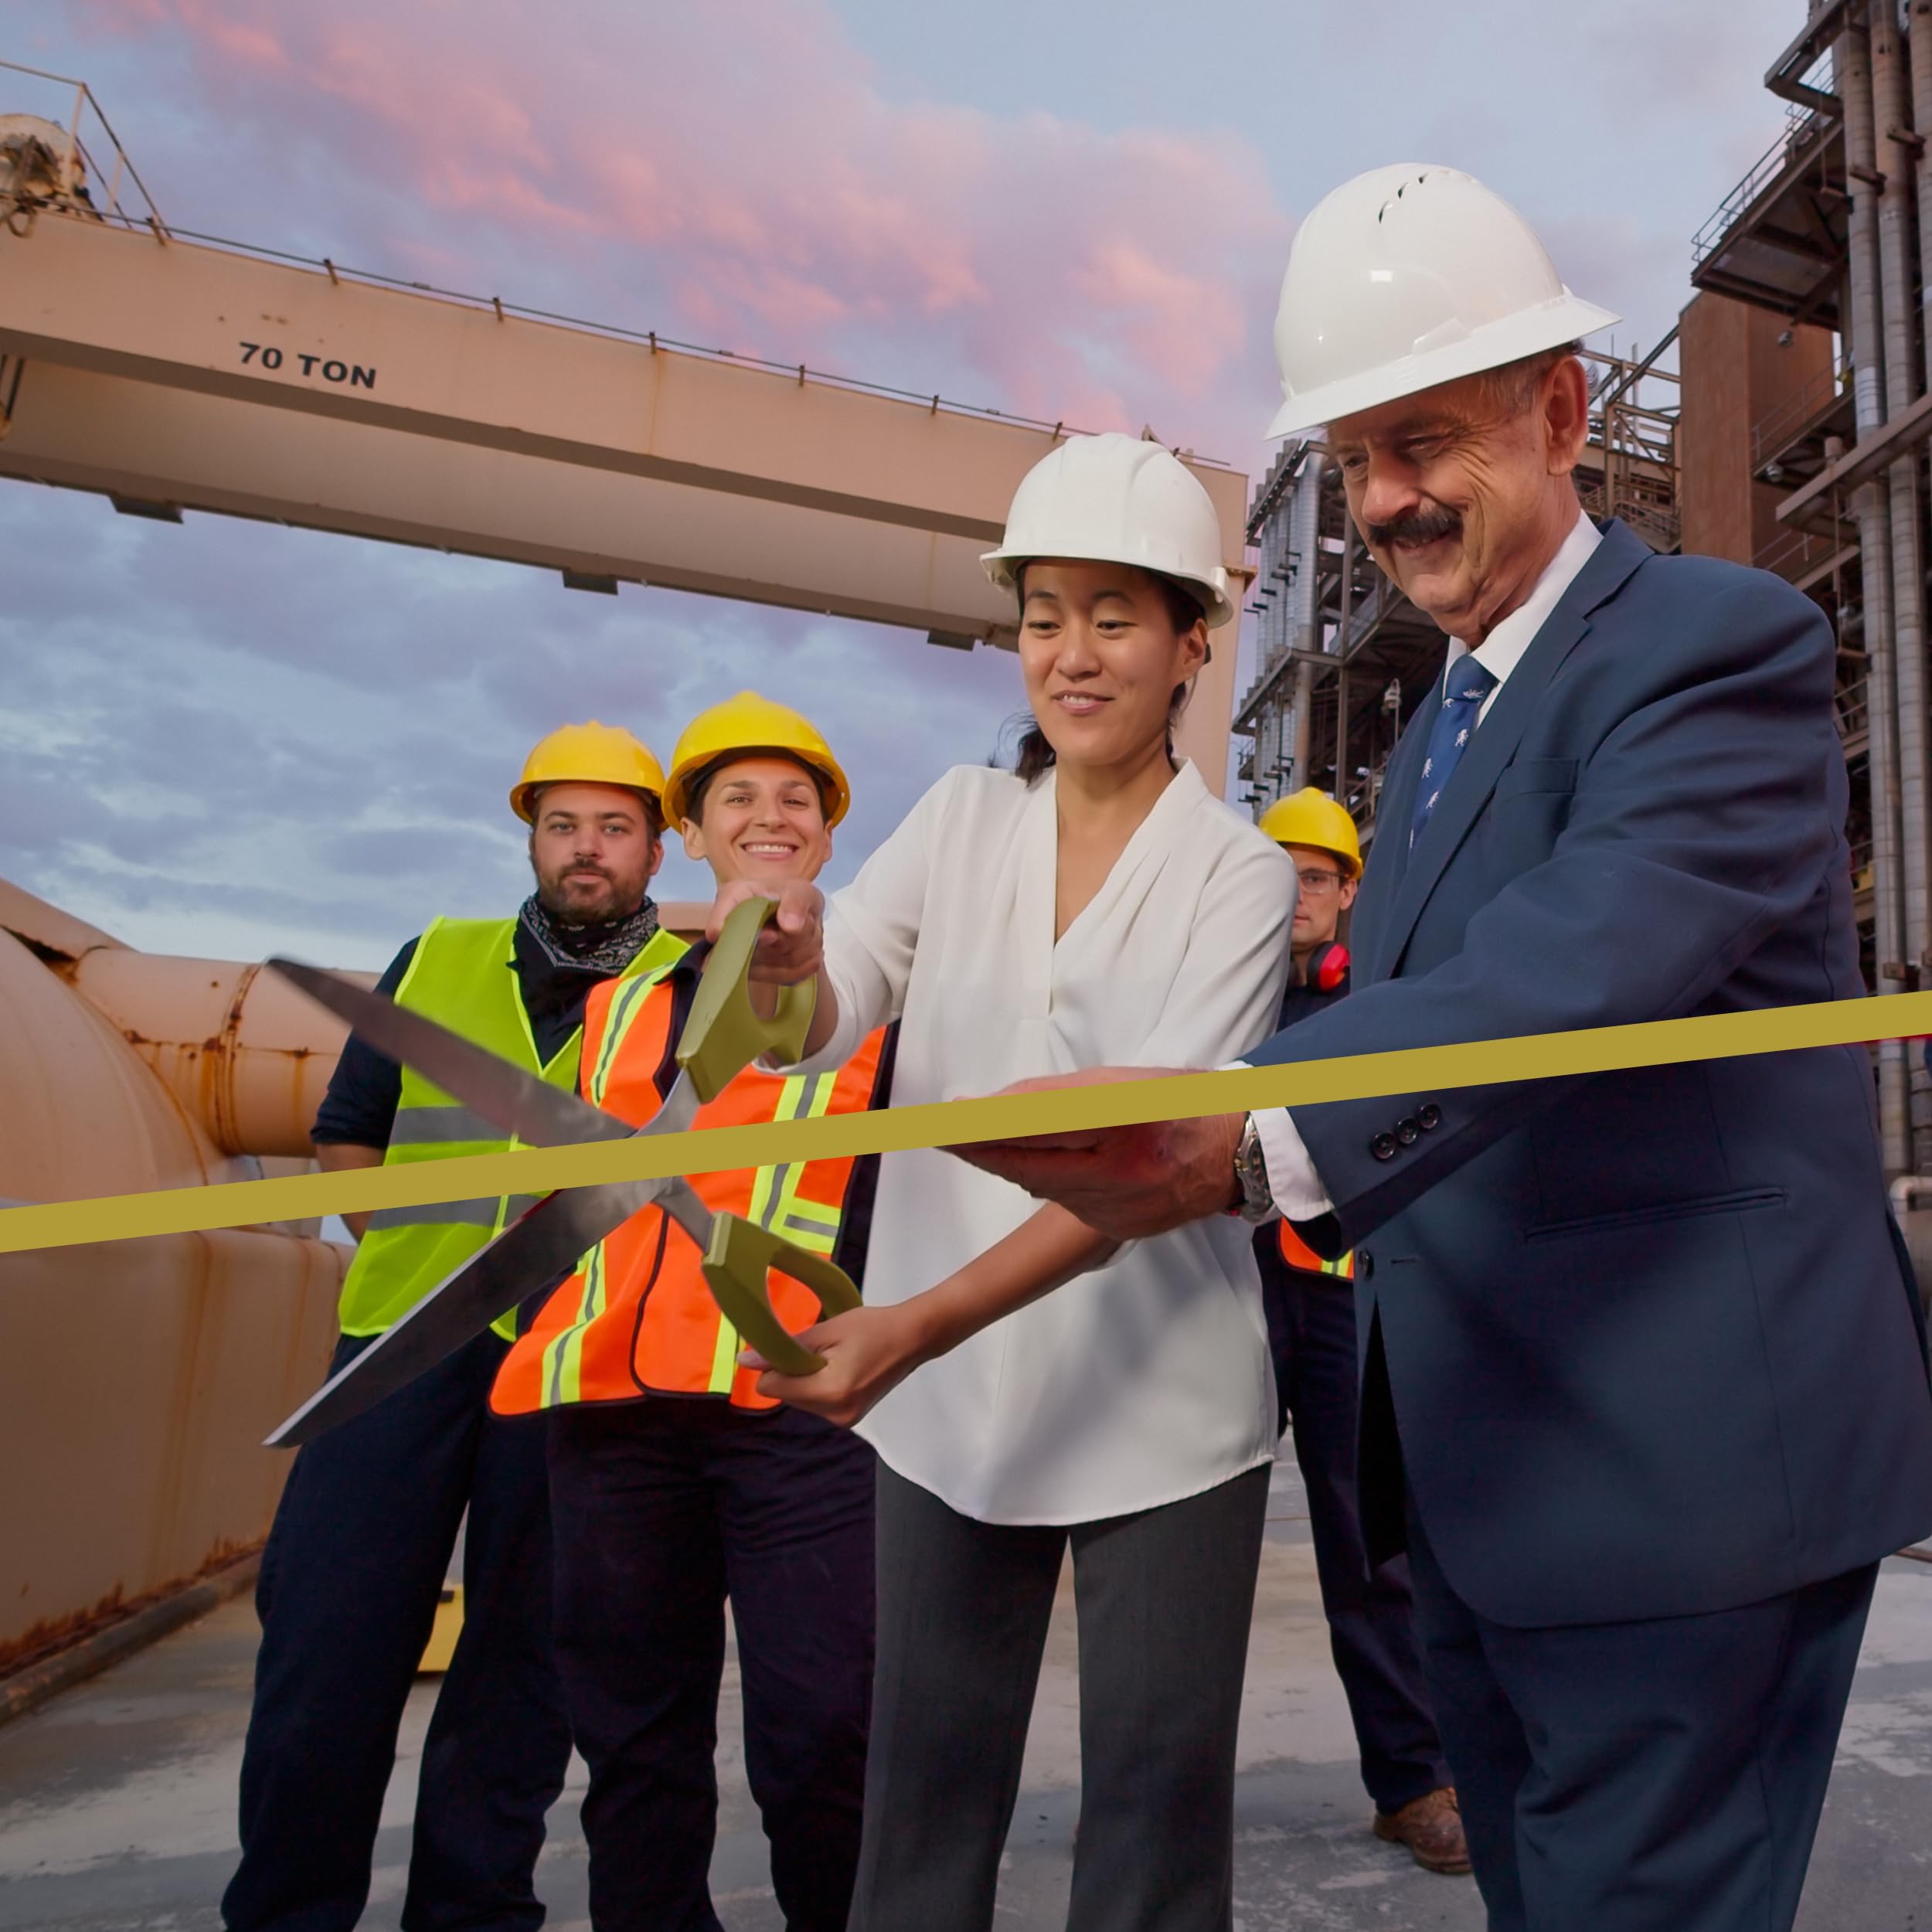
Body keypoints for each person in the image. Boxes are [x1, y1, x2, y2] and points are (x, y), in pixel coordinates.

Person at [942, 165, 1932, 1932]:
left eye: (1425, 439)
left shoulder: (1715, 649)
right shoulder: (1426, 749)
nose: (1386, 498)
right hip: (1488, 1495)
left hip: (1678, 1487)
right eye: (1354, 457)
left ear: (1559, 413)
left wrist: (1234, 1135)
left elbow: (1584, 958)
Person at [716, 432, 1294, 1932]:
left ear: (1189, 640)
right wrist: (776, 964)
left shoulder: (1232, 874)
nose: (1071, 652)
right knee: (918, 1811)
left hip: (1163, 1402)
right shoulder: (961, 819)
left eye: (1114, 615)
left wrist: (905, 1323)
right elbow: (823, 1003)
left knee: (1153, 1836)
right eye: (1043, 613)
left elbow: (1145, 1171)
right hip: (951, 1420)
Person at [224, 723, 682, 1932]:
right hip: (398, 1355)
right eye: (562, 825)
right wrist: (418, 1264)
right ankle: (284, 1914)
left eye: (614, 828)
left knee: (523, 1671)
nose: (586, 851)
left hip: (570, 1364)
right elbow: (347, 1129)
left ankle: (472, 1915)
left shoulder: (680, 993)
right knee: (326, 1646)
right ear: (530, 835)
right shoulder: (439, 955)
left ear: (655, 844)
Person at [492, 694, 892, 1932]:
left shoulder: (877, 998)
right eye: (738, 800)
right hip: (614, 1410)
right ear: (695, 835)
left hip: (800, 1405)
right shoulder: (620, 1006)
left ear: (825, 836)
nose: (769, 818)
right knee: (632, 1739)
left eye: (794, 800)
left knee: (825, 1735)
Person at [1252, 788, 1465, 1877]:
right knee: (1182, 1542)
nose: (1295, 895)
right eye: (1276, 874)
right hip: (1220, 1298)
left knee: (1366, 1538)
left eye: (1317, 878)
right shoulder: (1213, 1003)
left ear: (1346, 896)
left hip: (1336, 1297)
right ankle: (1168, 1787)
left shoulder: (1376, 998)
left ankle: (1414, 1777)